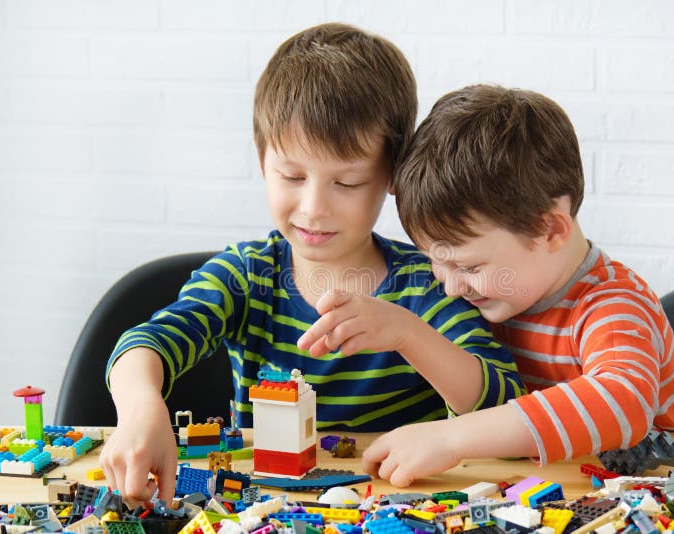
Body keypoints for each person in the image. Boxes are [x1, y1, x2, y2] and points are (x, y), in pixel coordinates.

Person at [100, 26, 524, 502]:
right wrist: (141, 408)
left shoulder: (429, 283)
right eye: (292, 175)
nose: (314, 207)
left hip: (396, 505)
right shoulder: (245, 276)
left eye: (346, 183)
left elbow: (506, 406)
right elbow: (146, 343)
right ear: (263, 162)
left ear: (392, 176)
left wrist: (407, 334)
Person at [360, 84, 674, 487]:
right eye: (435, 262)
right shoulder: (484, 295)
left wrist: (450, 438)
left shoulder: (613, 303)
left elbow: (623, 403)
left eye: (468, 265)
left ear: (549, 229)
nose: (449, 287)